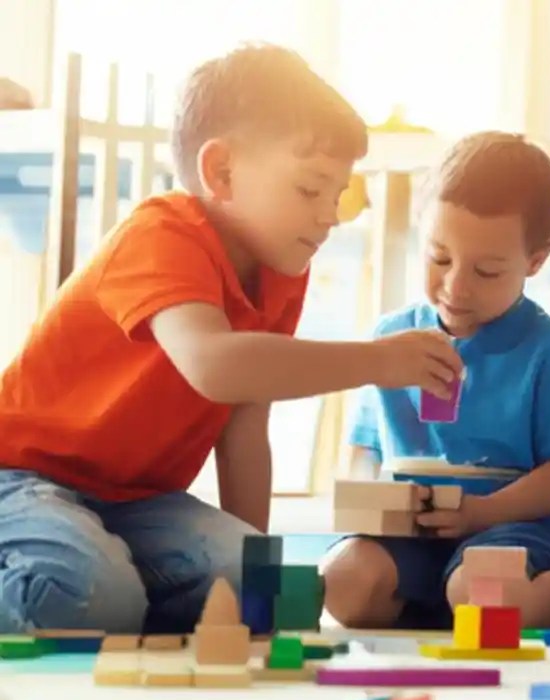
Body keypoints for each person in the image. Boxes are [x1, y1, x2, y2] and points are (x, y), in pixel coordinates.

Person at [0, 44, 468, 633]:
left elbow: (245, 428)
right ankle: (102, 592)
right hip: (21, 477)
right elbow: (215, 365)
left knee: (267, 597)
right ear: (220, 172)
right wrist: (376, 361)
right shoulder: (161, 233)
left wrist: (254, 572)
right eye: (309, 190)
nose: (331, 215)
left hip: (137, 500)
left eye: (337, 195)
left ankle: (120, 594)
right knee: (81, 596)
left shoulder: (280, 273)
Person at [321, 132, 550, 631]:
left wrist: (482, 513)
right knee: (342, 581)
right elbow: (364, 450)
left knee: (483, 594)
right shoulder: (390, 336)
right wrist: (365, 508)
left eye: (487, 271)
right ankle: (433, 608)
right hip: (408, 534)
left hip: (512, 528)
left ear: (535, 261)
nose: (456, 287)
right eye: (440, 258)